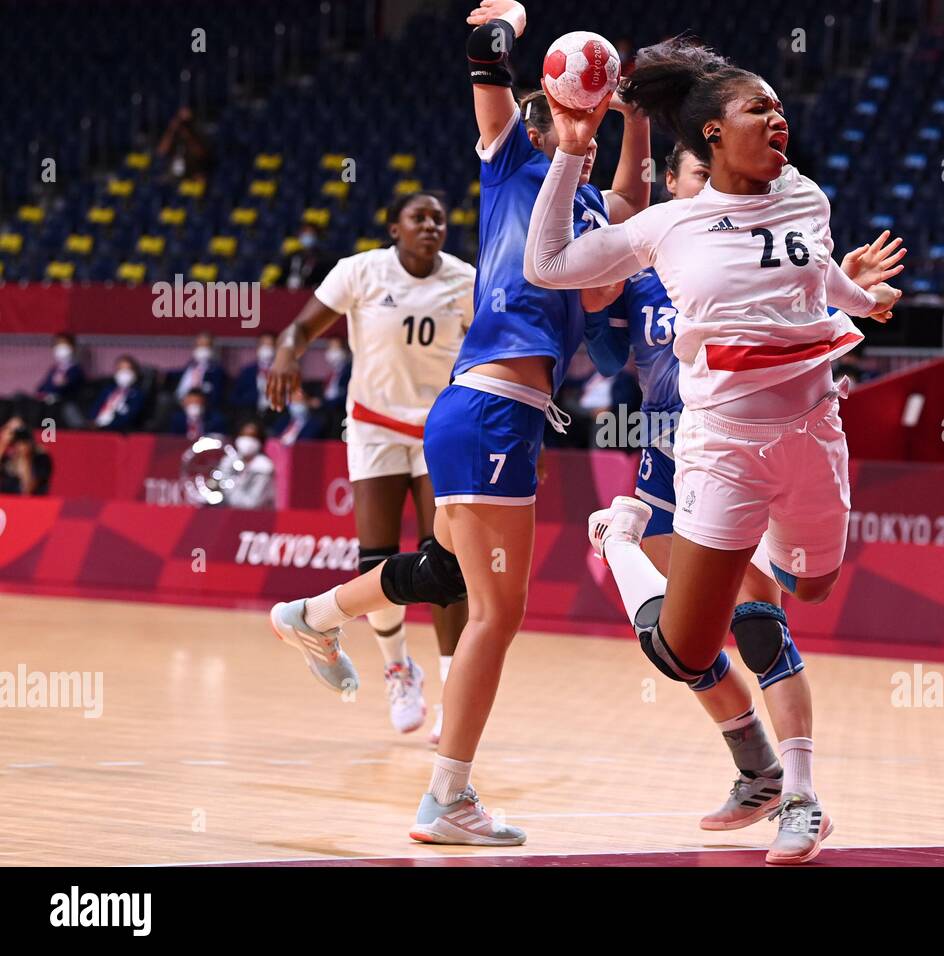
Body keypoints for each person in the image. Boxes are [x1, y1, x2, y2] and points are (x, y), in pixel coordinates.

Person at [269, 0, 652, 847]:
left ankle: (315, 615)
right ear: (537, 114)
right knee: (496, 614)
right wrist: (510, 19)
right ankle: (448, 799)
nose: (560, 123)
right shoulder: (510, 162)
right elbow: (487, 59)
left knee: (445, 573)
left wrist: (638, 117)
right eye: (548, 112)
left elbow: (631, 199)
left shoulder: (591, 214)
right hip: (487, 413)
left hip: (490, 416)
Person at [524, 38, 902, 864]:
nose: (778, 117)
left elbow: (811, 277)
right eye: (757, 109)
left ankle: (781, 770)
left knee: (816, 584)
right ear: (707, 138)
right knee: (689, 651)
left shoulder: (808, 197)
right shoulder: (668, 228)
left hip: (813, 435)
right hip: (721, 448)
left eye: (776, 106)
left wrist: (856, 294)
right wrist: (576, 148)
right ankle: (798, 795)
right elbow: (547, 264)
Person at [581, 141, 852, 847]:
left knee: (761, 626)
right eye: (698, 176)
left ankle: (801, 796)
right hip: (667, 465)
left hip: (744, 448)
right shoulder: (641, 274)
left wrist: (843, 300)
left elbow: (813, 301)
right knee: (686, 648)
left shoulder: (762, 242)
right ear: (671, 184)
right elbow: (605, 343)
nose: (714, 187)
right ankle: (756, 771)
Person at [267, 193, 475, 739]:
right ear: (394, 227)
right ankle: (399, 667)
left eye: (438, 219)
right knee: (375, 557)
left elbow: (492, 353)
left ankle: (454, 690)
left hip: (439, 427)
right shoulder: (359, 271)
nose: (430, 225)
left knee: (448, 561)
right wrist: (287, 352)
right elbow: (301, 329)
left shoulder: (465, 281)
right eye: (418, 218)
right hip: (375, 425)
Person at [219, 422, 276, 510]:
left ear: (259, 441)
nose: (246, 440)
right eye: (243, 435)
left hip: (253, 516)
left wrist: (230, 494)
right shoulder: (228, 461)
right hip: (224, 512)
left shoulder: (264, 468)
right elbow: (220, 486)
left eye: (252, 436)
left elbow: (254, 502)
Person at [32, 333, 86, 425]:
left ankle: (49, 436)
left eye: (64, 345)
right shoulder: (55, 369)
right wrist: (44, 394)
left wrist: (59, 387)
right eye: (57, 345)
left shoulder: (76, 369)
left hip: (64, 405)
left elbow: (67, 388)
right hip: (47, 403)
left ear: (72, 348)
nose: (61, 348)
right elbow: (42, 387)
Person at [90, 356, 148, 432]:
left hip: (117, 430)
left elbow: (132, 416)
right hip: (97, 428)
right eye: (120, 369)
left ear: (135, 372)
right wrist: (93, 421)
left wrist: (108, 425)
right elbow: (96, 406)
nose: (123, 373)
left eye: (127, 369)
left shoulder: (137, 394)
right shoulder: (108, 390)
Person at [0, 418, 53, 496]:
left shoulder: (41, 458)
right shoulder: (6, 458)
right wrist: (3, 443)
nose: (19, 444)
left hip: (32, 505)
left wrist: (25, 457)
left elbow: (27, 490)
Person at [231, 332, 277, 420]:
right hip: (250, 414)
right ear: (258, 347)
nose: (267, 348)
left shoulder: (283, 372)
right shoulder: (247, 371)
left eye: (270, 345)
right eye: (264, 344)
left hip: (275, 415)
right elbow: (235, 397)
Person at [279, 223, 336, 290]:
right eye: (304, 232)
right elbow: (282, 277)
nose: (307, 235)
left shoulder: (321, 259)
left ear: (315, 237)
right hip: (288, 293)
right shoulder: (292, 257)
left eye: (310, 233)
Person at [173, 332, 226, 402]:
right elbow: (178, 373)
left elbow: (215, 394)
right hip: (180, 399)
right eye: (199, 345)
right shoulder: (191, 365)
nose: (202, 348)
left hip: (199, 402)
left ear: (212, 348)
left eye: (206, 345)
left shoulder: (216, 370)